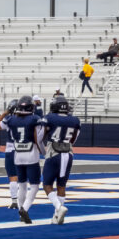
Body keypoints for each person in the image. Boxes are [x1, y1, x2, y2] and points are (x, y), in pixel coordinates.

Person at [4, 95, 45, 224]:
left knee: (21, 185)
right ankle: (24, 208)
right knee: (34, 185)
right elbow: (38, 138)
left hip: (17, 155)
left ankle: (20, 213)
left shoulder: (11, 119)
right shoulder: (35, 119)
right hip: (31, 154)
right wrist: (44, 152)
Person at [42, 94, 81, 224]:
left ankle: (59, 207)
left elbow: (42, 134)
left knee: (47, 185)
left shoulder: (49, 118)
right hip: (68, 153)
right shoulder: (75, 120)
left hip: (54, 152)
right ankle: (57, 216)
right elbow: (74, 139)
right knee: (61, 185)